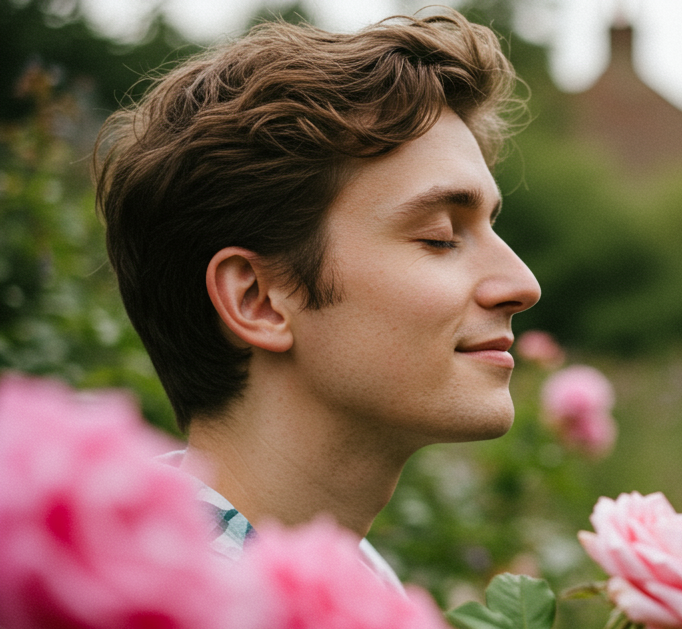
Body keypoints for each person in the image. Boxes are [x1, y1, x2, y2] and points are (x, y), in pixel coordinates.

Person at [93, 10, 539, 547]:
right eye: (440, 236)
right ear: (256, 299)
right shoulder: (160, 625)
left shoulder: (365, 589)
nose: (522, 284)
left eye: (492, 226)